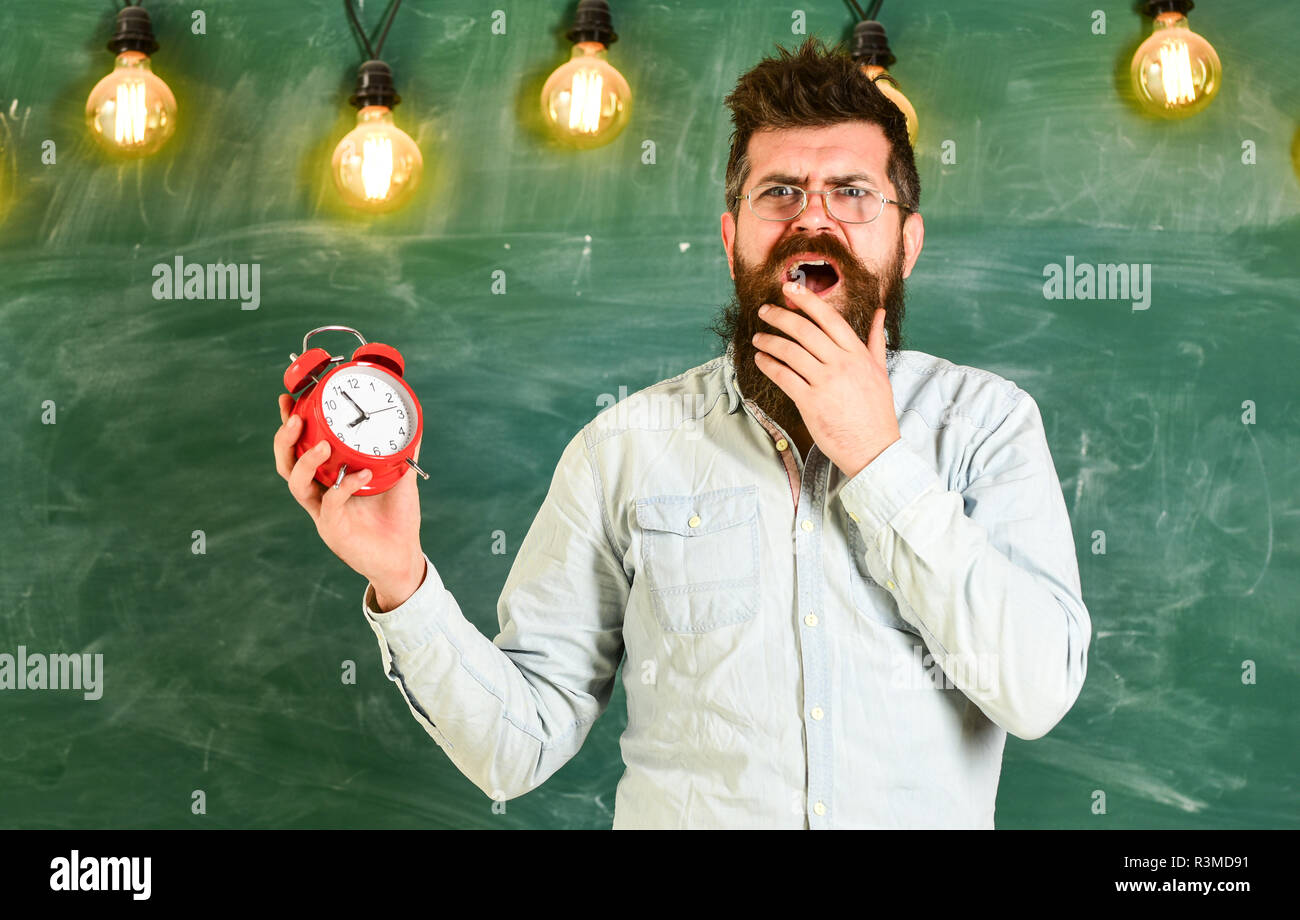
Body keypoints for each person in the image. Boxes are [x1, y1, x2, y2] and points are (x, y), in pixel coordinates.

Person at [272, 36, 1091, 829]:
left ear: (905, 243)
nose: (815, 219)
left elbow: (1035, 692)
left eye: (853, 192)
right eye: (779, 192)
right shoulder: (622, 450)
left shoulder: (988, 426)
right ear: (733, 240)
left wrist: (878, 459)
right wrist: (402, 581)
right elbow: (513, 749)